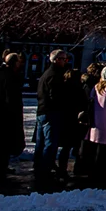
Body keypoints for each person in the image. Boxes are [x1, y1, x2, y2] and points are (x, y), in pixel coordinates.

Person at [0, 52, 26, 185]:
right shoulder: (9, 76)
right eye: (19, 62)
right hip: (5, 118)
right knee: (1, 148)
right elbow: (12, 100)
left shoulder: (0, 74)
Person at [33, 50, 73, 186]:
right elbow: (55, 96)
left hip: (42, 111)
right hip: (51, 112)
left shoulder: (46, 74)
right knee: (50, 143)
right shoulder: (55, 76)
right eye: (63, 59)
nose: (65, 61)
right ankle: (45, 170)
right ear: (56, 60)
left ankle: (39, 167)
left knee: (41, 142)